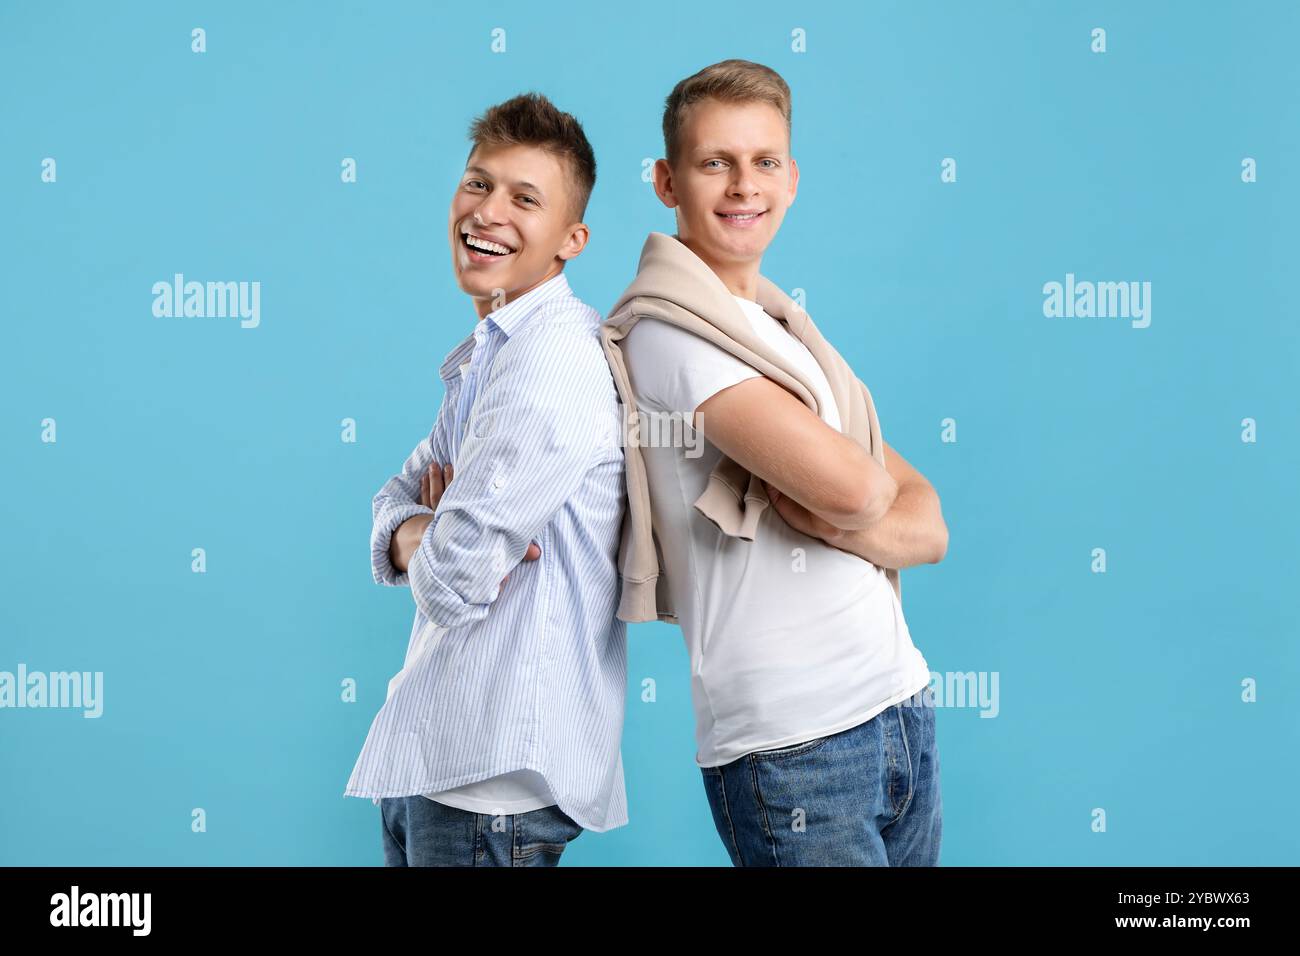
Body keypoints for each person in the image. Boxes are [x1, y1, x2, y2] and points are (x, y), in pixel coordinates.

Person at [603, 60, 948, 866]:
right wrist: (857, 511)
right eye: (713, 162)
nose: (741, 186)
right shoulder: (672, 333)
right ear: (666, 181)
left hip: (896, 699)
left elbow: (927, 519)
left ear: (791, 180)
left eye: (763, 162)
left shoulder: (781, 331)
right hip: (796, 742)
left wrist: (848, 518)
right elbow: (862, 487)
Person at [344, 93, 628, 866]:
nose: (487, 211)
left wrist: (430, 538)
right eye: (478, 183)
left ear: (572, 239)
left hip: (488, 790)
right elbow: (390, 504)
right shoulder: (493, 352)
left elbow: (452, 578)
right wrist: (418, 529)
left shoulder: (548, 363)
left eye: (524, 197)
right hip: (441, 767)